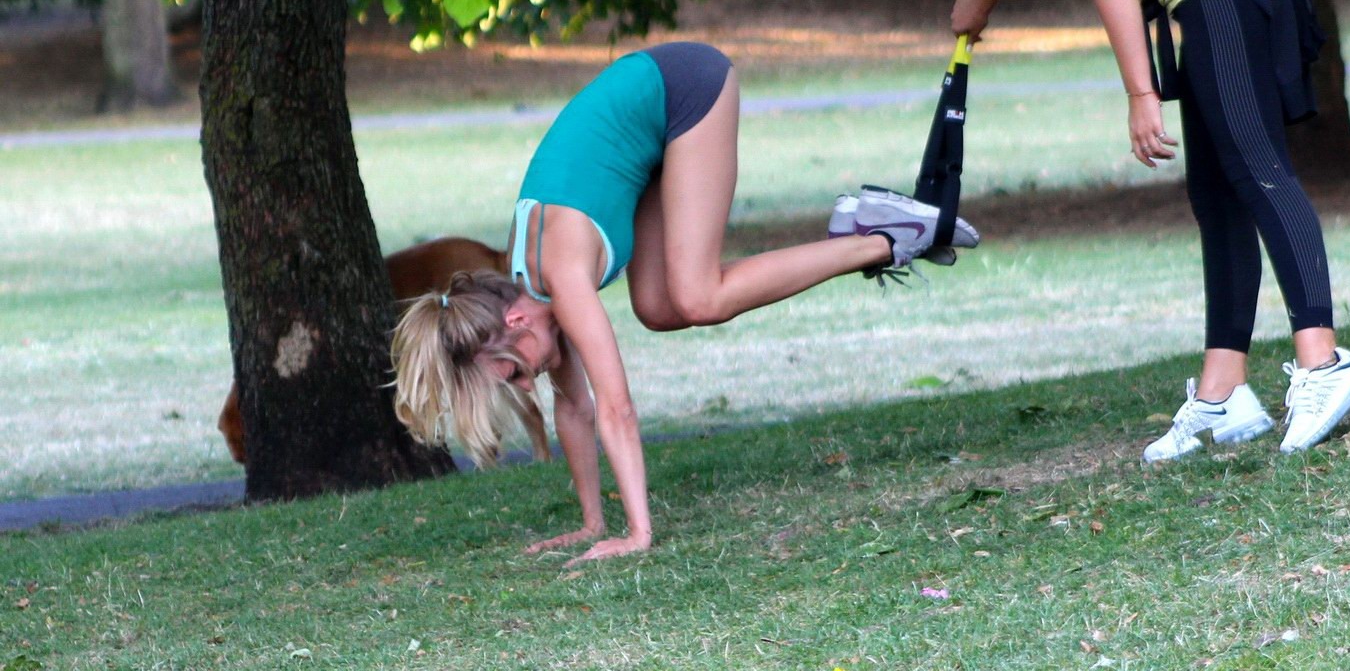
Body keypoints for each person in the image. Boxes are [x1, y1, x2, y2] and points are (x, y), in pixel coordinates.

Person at [866, 0, 1350, 462]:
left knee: (1257, 171)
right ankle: (1223, 392)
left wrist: (1141, 95)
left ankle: (1325, 364)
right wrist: (984, 0)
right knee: (1217, 192)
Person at [390, 42, 977, 563]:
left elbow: (615, 408)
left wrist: (637, 532)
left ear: (513, 319)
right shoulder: (528, 287)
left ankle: (883, 236)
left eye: (514, 372)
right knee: (658, 307)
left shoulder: (560, 274)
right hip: (643, 138)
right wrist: (593, 524)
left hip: (686, 89)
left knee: (697, 296)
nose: (525, 385)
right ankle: (874, 231)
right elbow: (575, 408)